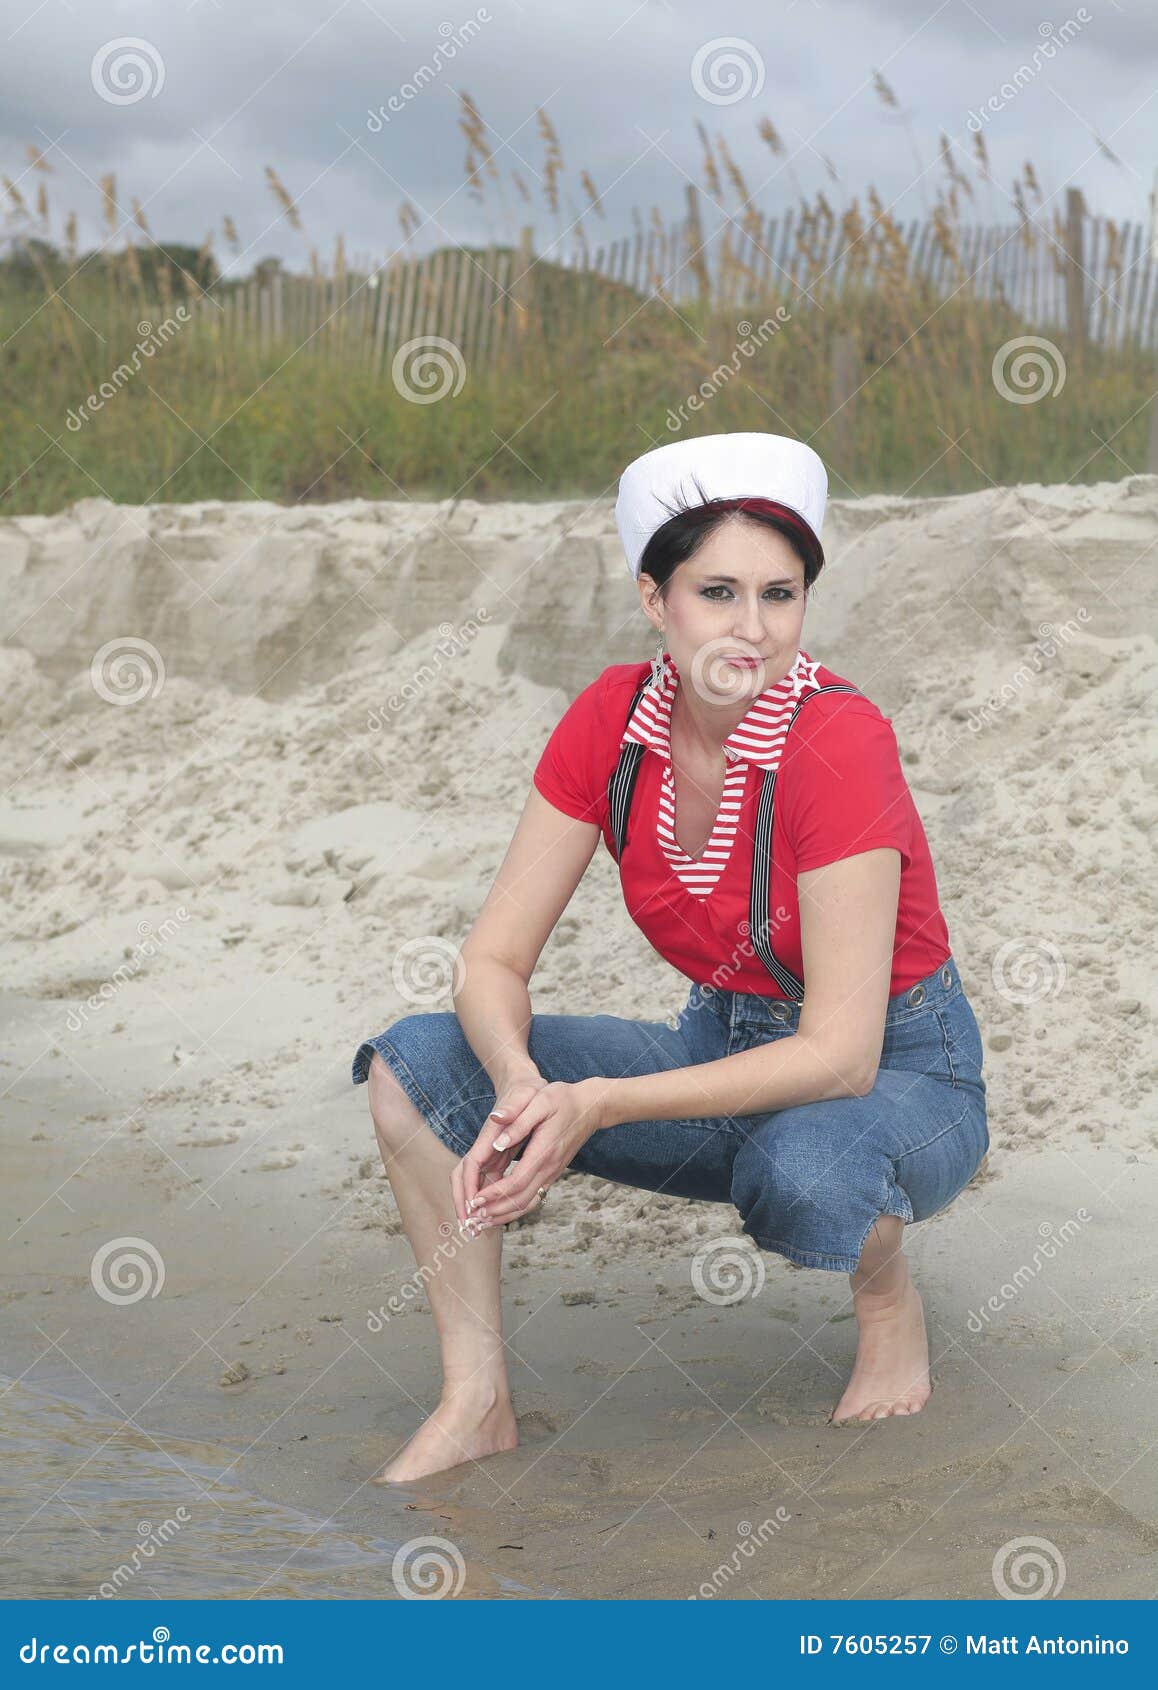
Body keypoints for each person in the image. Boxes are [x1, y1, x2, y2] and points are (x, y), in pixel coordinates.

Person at [352, 430, 988, 1485]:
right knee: (413, 1068)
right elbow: (490, 961)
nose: (753, 629)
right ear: (656, 600)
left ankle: (887, 1299)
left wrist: (596, 1104)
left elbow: (839, 1056)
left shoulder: (838, 740)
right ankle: (476, 1399)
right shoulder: (612, 722)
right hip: (719, 1045)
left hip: (900, 1071)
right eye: (717, 593)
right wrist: (518, 1084)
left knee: (805, 1170)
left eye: (780, 595)